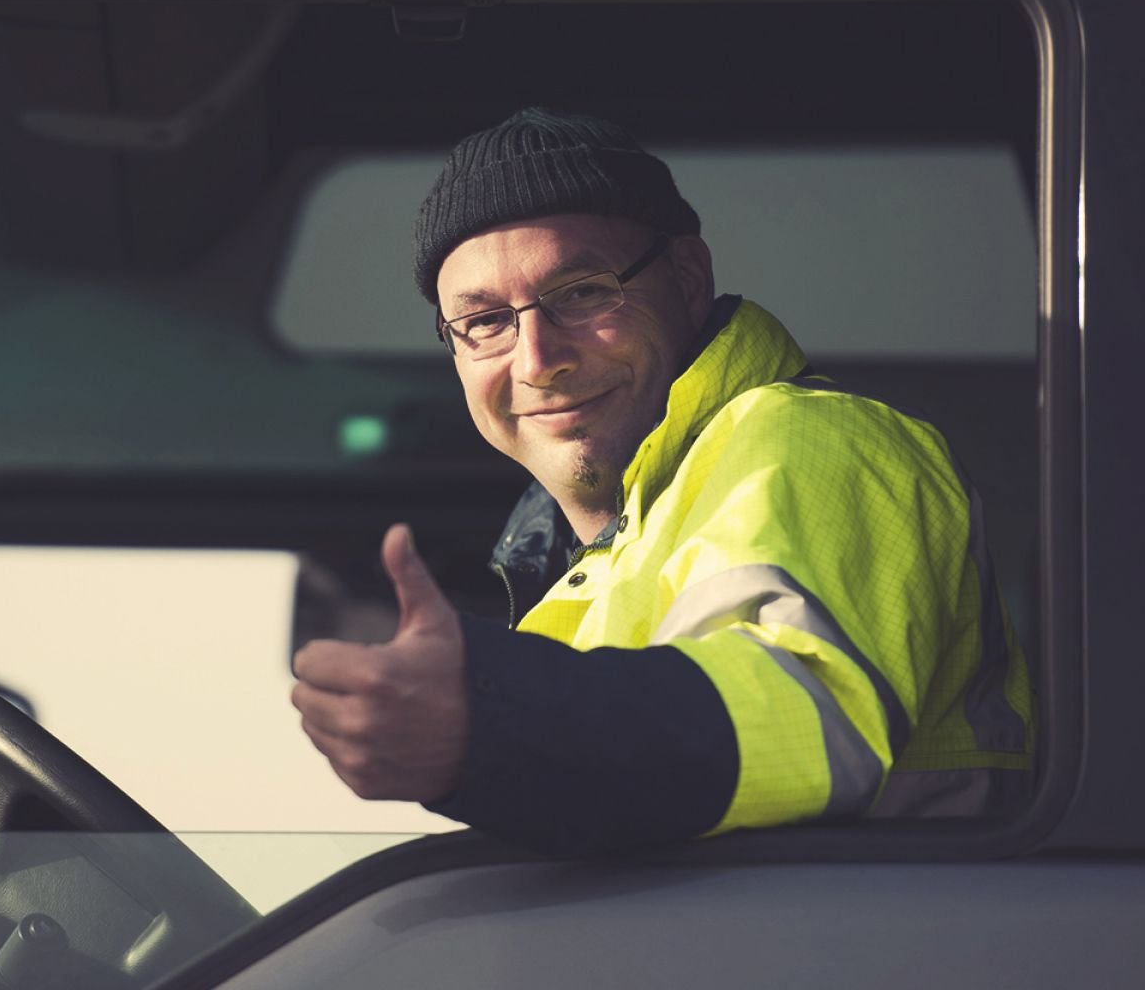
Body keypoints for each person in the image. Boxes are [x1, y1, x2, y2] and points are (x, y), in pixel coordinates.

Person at [290, 107, 1034, 855]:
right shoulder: (604, 555)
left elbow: (801, 709)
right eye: (484, 322)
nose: (537, 358)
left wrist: (486, 718)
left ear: (686, 280)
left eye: (582, 292)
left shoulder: (806, 438)